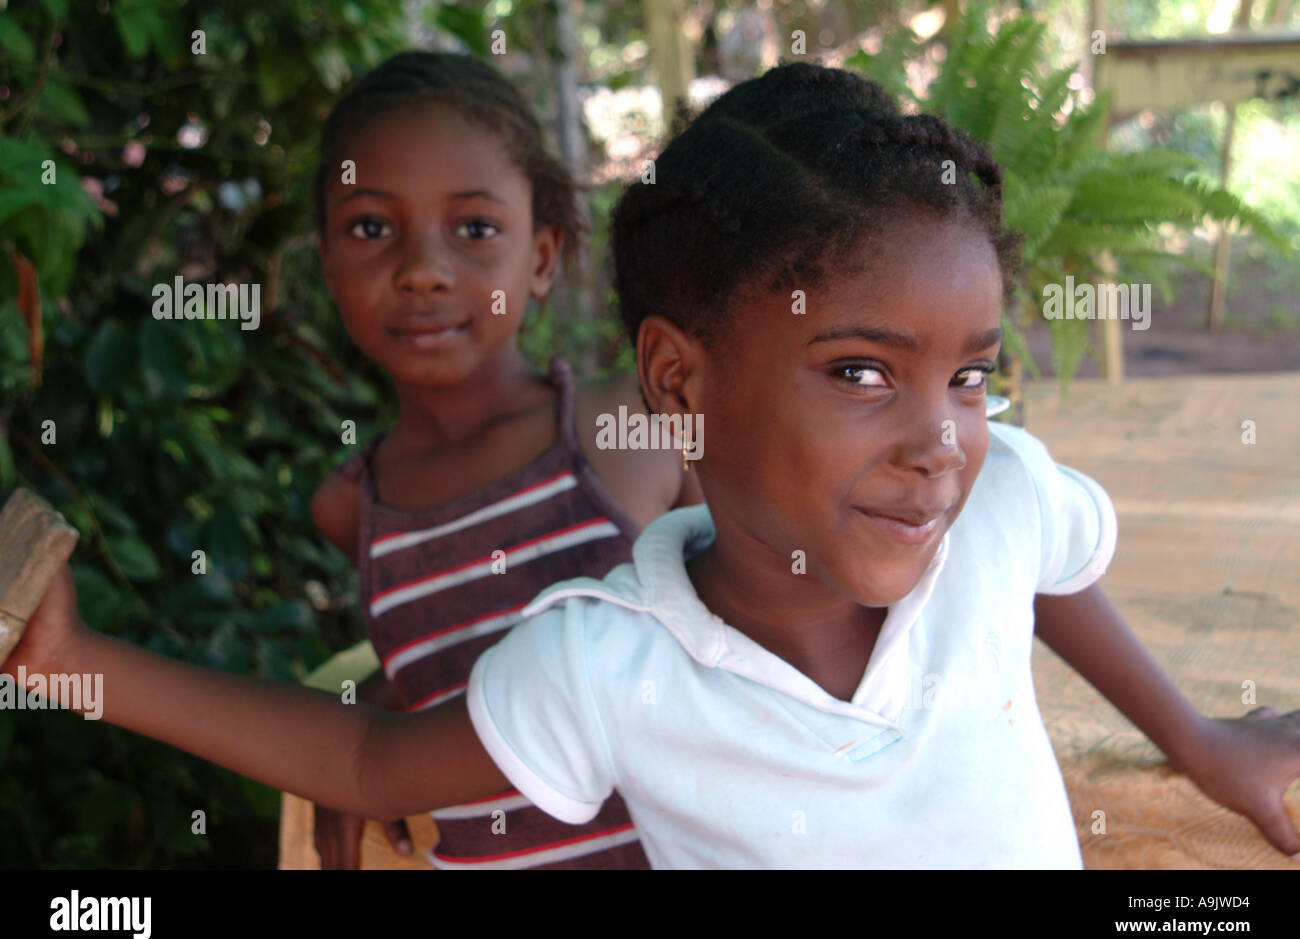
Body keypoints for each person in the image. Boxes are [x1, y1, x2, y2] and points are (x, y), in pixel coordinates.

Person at [11, 63, 1300, 868]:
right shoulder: (608, 662)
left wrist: (1201, 745)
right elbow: (372, 765)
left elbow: (1044, 567)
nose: (940, 439)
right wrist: (82, 670)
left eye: (968, 371)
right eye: (860, 370)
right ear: (678, 383)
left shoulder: (999, 493)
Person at [299, 50, 701, 868]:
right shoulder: (354, 509)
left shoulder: (634, 426)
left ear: (543, 258)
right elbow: (452, 660)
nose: (421, 271)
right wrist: (349, 748)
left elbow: (759, 627)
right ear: (328, 263)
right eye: (371, 228)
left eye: (475, 228)